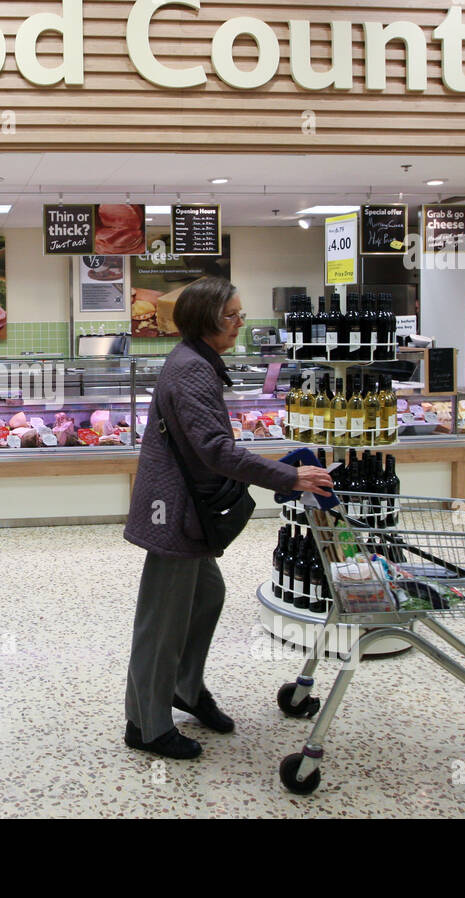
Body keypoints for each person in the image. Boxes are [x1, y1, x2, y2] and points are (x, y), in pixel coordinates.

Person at [122, 277, 333, 759]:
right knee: (163, 619)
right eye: (232, 316)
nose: (241, 323)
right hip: (175, 509)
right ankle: (146, 724)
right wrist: (290, 477)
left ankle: (184, 687)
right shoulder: (192, 369)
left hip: (186, 505)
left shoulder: (195, 361)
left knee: (207, 594)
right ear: (205, 322)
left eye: (241, 313)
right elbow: (215, 449)